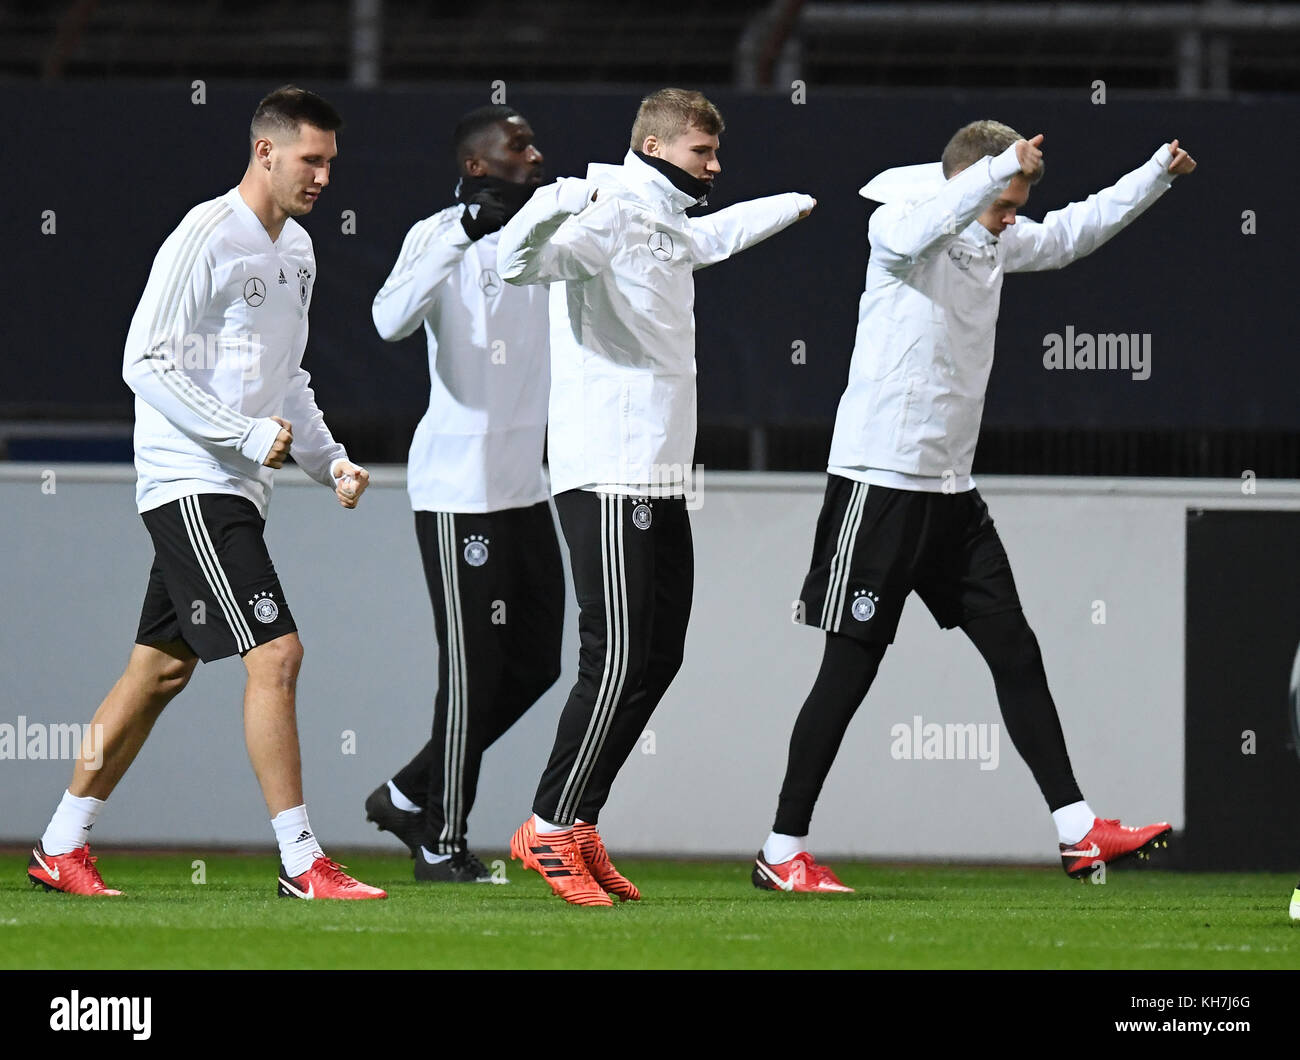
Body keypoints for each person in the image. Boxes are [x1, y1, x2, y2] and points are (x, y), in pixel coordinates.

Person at [753, 121, 1196, 892]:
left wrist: (1155, 173)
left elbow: (1070, 234)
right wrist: (993, 172)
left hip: (952, 494)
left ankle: (1078, 830)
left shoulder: (989, 239)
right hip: (880, 482)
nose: (1013, 217)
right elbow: (925, 225)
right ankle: (782, 849)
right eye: (1005, 201)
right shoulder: (896, 222)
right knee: (848, 672)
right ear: (973, 180)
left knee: (1016, 653)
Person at [27, 85, 385, 901]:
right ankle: (302, 860)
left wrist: (327, 461)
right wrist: (243, 435)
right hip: (191, 482)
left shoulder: (297, 251)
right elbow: (144, 361)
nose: (325, 175)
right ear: (265, 151)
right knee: (278, 654)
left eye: (331, 161)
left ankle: (59, 844)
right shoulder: (206, 234)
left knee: (157, 674)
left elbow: (288, 379)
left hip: (237, 485)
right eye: (311, 159)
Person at [497, 87, 816, 906]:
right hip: (608, 468)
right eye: (702, 153)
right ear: (654, 144)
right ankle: (548, 825)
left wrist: (787, 204)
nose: (714, 167)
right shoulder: (609, 209)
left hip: (660, 472)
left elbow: (703, 242)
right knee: (618, 651)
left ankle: (580, 819)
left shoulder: (662, 214)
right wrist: (551, 203)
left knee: (659, 653)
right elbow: (518, 264)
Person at [365, 105, 563, 883]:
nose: (538, 152)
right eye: (521, 144)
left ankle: (410, 791)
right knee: (473, 668)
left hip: (526, 486)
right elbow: (386, 321)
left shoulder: (546, 230)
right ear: (479, 165)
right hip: (458, 488)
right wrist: (462, 233)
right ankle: (442, 840)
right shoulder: (435, 234)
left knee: (538, 666)